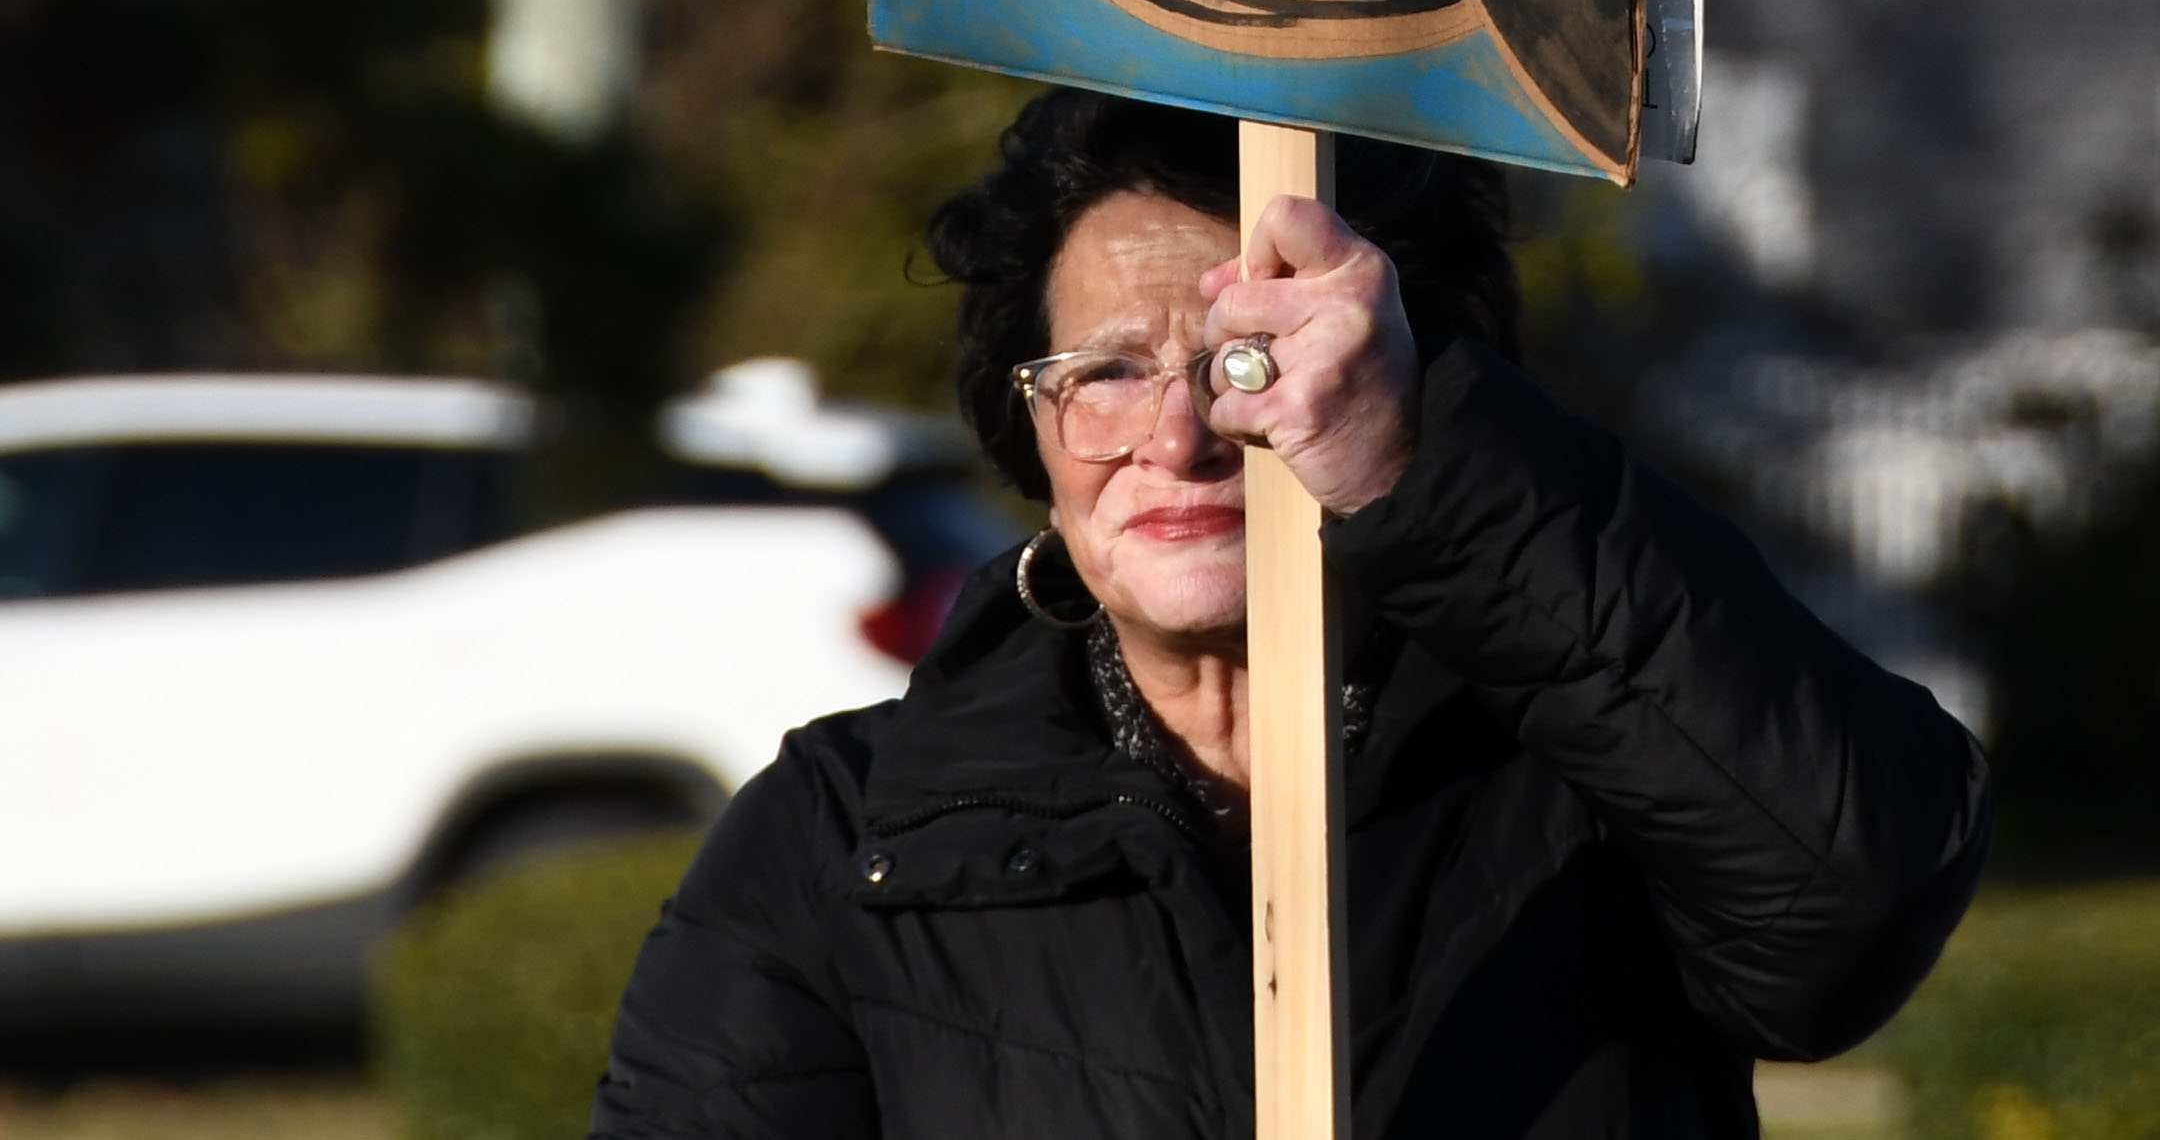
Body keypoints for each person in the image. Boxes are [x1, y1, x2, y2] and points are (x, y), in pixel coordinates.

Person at [593, 87, 1992, 1138]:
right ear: (1027, 417)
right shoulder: (843, 840)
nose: (1182, 434)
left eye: (1251, 360)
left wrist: (1424, 464)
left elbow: (1850, 898)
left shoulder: (1585, 770)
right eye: (1106, 368)